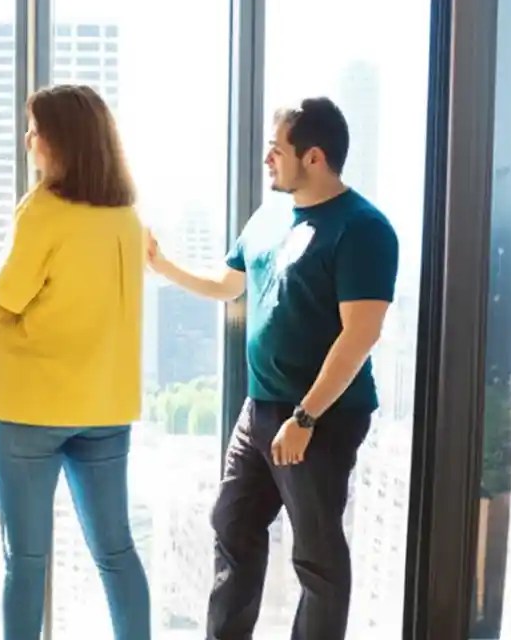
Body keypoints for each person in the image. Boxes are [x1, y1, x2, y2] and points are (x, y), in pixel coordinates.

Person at [147, 97, 398, 639]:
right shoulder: (268, 217)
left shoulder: (363, 229)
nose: (266, 160)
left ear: (313, 157)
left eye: (275, 149)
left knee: (316, 559)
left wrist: (305, 419)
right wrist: (162, 264)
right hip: (259, 409)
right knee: (232, 527)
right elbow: (227, 284)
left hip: (320, 419)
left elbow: (362, 334)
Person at [0, 84, 150, 640]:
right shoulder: (126, 216)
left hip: (30, 410)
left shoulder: (44, 209)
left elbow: (5, 296)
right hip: (106, 407)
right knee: (117, 550)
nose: (28, 141)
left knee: (27, 561)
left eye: (35, 131)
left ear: (60, 142)